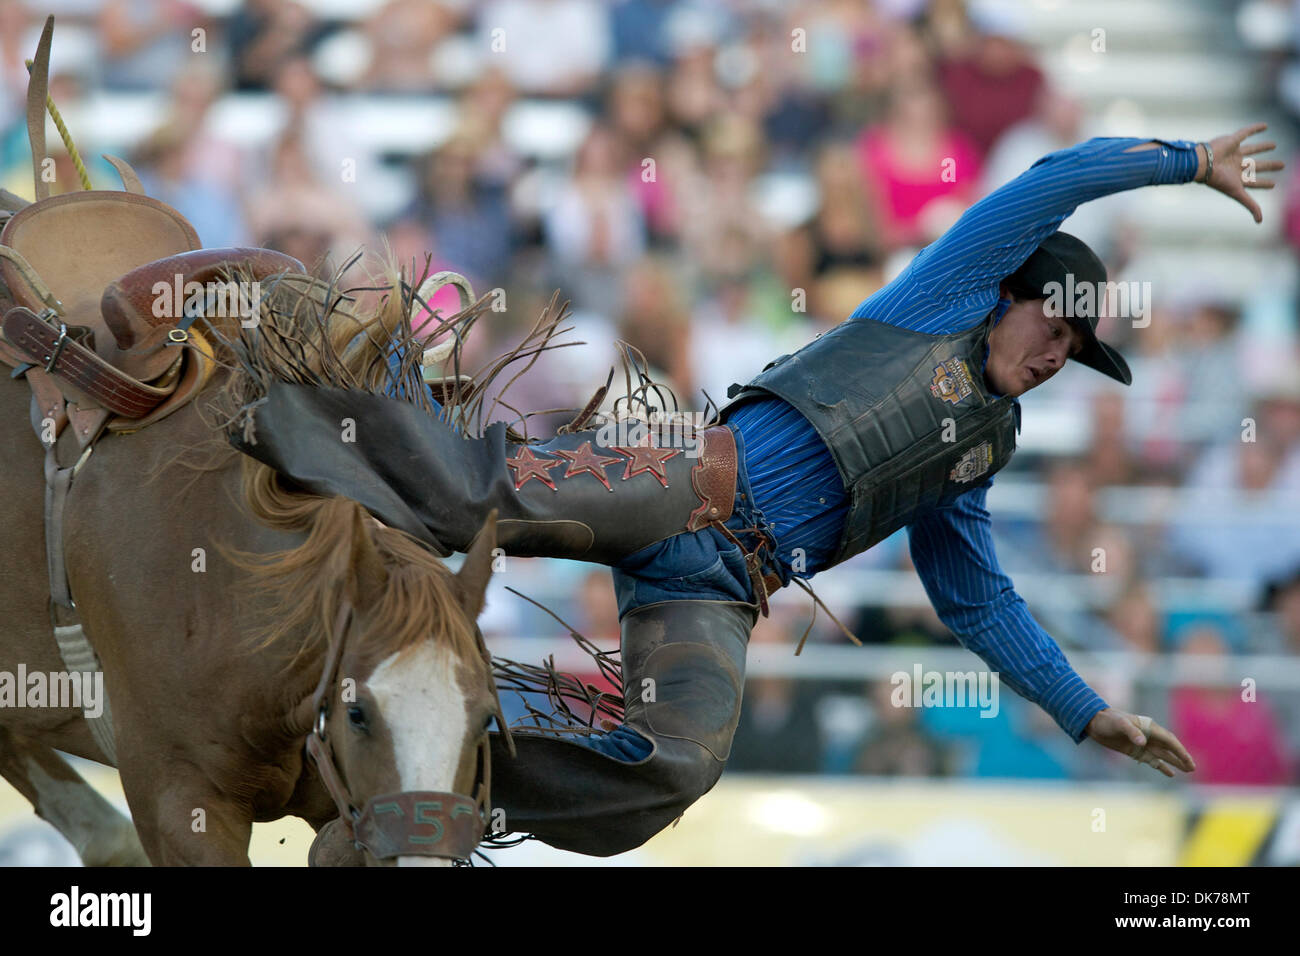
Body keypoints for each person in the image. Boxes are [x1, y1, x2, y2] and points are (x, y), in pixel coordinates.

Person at [231, 126, 1281, 856]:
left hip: (720, 588)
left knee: (678, 767)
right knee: (473, 497)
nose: (1057, 356)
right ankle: (257, 412)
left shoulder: (983, 451)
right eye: (1055, 329)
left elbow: (978, 601)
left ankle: (448, 777)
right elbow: (1060, 178)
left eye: (1076, 351)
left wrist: (1084, 709)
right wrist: (1187, 162)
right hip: (677, 481)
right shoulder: (948, 288)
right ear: (1009, 297)